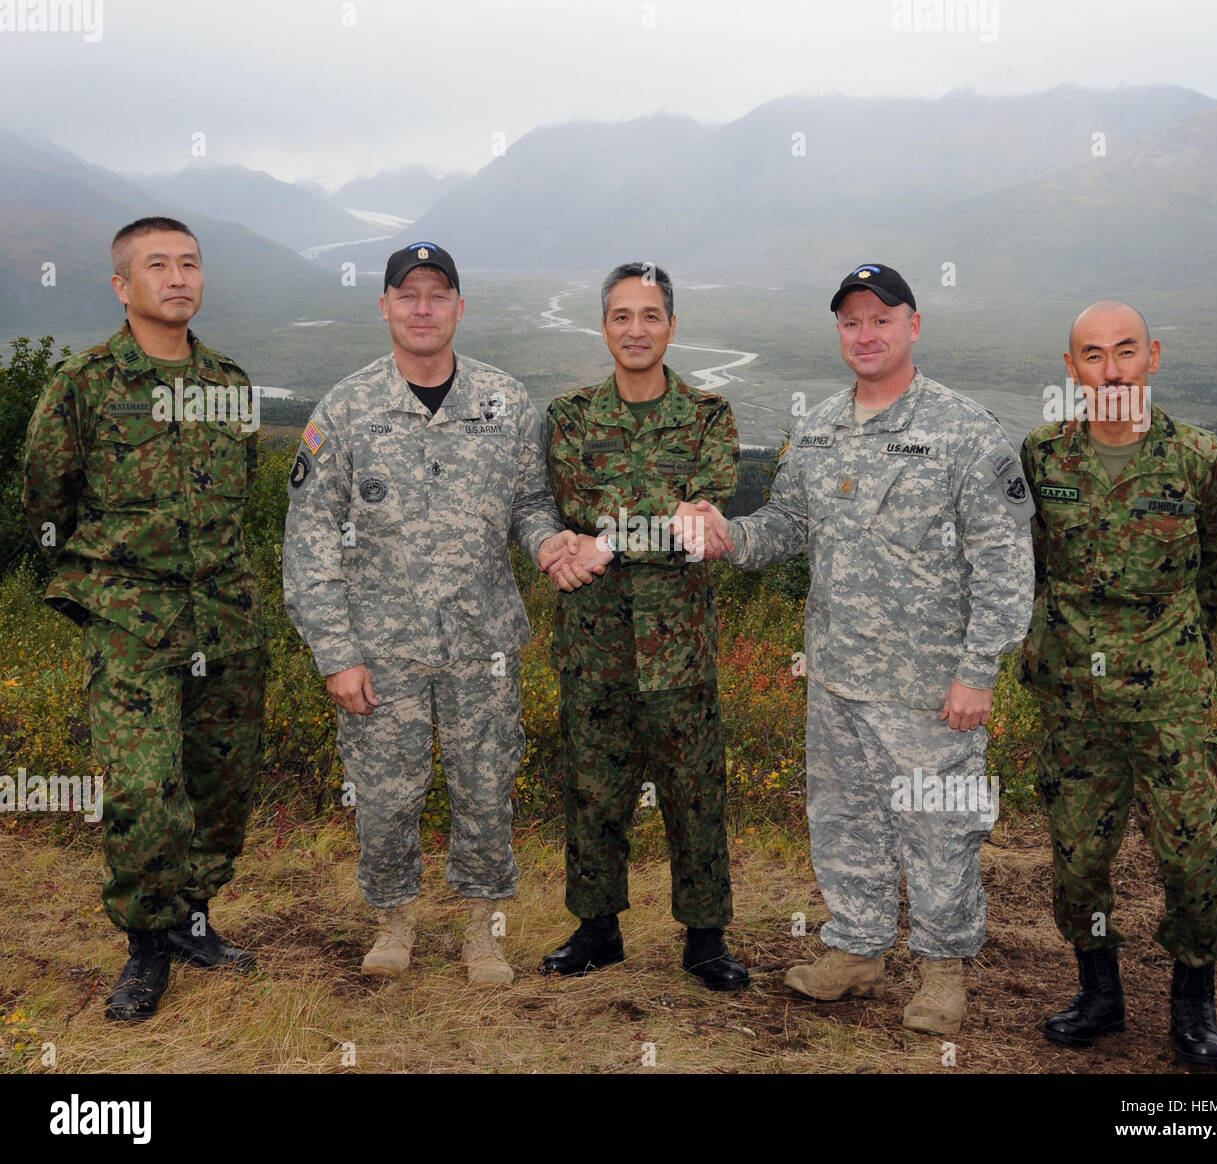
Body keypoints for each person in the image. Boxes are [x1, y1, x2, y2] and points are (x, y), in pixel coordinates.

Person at [687, 263, 1033, 1031]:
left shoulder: (962, 430)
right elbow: (787, 527)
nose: (865, 333)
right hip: (837, 677)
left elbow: (1007, 563)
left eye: (881, 318)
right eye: (851, 321)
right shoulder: (820, 429)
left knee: (939, 829)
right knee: (844, 821)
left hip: (931, 688)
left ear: (913, 325)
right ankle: (857, 946)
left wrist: (979, 673)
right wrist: (726, 536)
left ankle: (942, 971)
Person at [282, 242, 588, 986]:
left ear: (459, 307)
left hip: (482, 644)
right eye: (408, 294)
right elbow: (310, 539)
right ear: (384, 306)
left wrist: (550, 545)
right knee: (386, 797)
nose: (423, 308)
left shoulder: (505, 402)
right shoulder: (346, 409)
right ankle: (394, 920)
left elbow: (529, 505)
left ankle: (482, 930)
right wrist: (335, 653)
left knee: (485, 791)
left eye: (438, 294)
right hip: (379, 652)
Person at [23, 216, 266, 1021]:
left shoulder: (231, 381)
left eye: (190, 264)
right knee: (144, 789)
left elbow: (240, 498)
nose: (178, 278)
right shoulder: (84, 385)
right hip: (132, 627)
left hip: (226, 622)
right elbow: (46, 506)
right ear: (123, 286)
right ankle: (144, 944)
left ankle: (193, 917)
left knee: (220, 788)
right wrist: (93, 597)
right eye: (157, 265)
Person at [1019, 300, 1217, 1068]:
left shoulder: (1200, 458)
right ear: (1070, 367)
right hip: (1074, 697)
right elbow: (1030, 563)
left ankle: (1194, 1004)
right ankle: (1099, 994)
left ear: (1155, 356)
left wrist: (1181, 648)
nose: (1110, 371)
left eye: (1124, 352)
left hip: (1170, 697)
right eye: (1092, 355)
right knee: (1080, 859)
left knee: (1191, 856)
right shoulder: (1043, 454)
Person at [539, 262, 749, 991]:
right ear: (604, 326)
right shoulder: (568, 418)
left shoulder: (708, 417)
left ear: (671, 326)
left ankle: (706, 937)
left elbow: (704, 529)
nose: (636, 329)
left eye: (650, 315)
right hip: (593, 644)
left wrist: (609, 538)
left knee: (695, 792)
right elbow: (572, 515)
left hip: (679, 650)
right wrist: (639, 527)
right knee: (594, 788)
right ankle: (597, 929)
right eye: (622, 316)